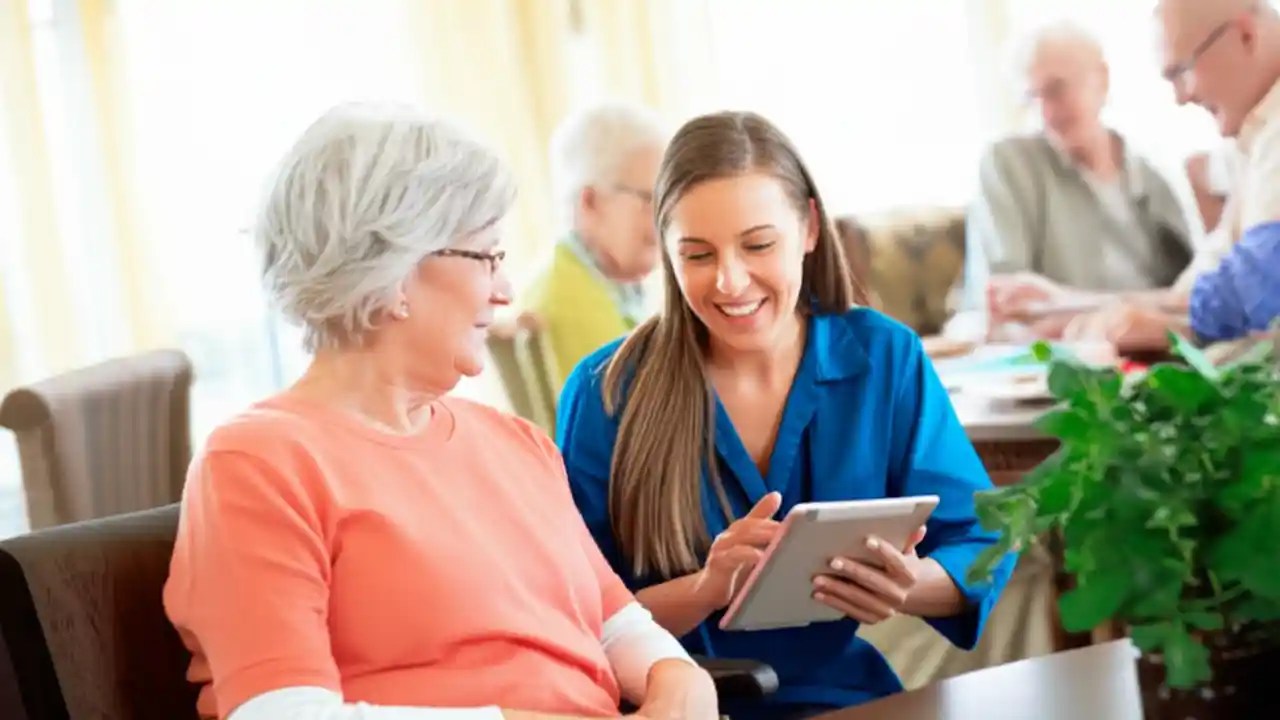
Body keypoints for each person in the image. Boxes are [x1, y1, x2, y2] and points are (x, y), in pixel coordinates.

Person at [163, 103, 716, 720]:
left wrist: (678, 679)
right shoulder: (257, 463)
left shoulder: (515, 444)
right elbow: (281, 714)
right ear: (394, 270)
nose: (504, 290)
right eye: (486, 256)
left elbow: (614, 622)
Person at [556, 111, 1015, 719]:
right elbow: (576, 614)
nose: (730, 281)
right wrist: (706, 589)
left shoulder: (884, 357)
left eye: (758, 245)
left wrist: (908, 585)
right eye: (697, 254)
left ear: (809, 229)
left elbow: (981, 540)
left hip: (844, 698)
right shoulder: (606, 391)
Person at [996, 0, 1280, 350]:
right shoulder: (1252, 137)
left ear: (1246, 36)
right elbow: (1204, 283)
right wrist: (1070, 305)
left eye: (1182, 71)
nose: (1181, 97)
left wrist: (1169, 332)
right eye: (1031, 97)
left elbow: (1258, 288)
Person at [966, 20, 1195, 339]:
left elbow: (1194, 297)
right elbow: (1006, 306)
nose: (1046, 113)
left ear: (1102, 79)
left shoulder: (1151, 175)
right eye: (1032, 98)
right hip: (1058, 352)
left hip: (1146, 344)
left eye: (1056, 90)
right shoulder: (1008, 164)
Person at [521, 103, 668, 392]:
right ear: (591, 202)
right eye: (648, 199)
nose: (663, 216)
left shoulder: (587, 281)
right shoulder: (568, 304)